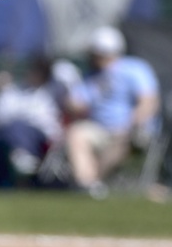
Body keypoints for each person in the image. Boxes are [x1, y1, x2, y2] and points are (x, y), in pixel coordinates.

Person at [64, 26, 160, 199]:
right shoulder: (91, 77)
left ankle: (93, 182)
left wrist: (133, 122)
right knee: (76, 134)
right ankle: (88, 185)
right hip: (99, 129)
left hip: (130, 130)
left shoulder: (134, 69)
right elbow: (76, 104)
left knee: (122, 138)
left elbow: (148, 102)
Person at [0, 56, 68, 188]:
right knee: (12, 129)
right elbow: (0, 117)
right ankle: (21, 158)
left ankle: (24, 156)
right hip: (8, 137)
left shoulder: (47, 96)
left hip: (37, 141)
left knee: (18, 127)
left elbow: (48, 126)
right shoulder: (12, 92)